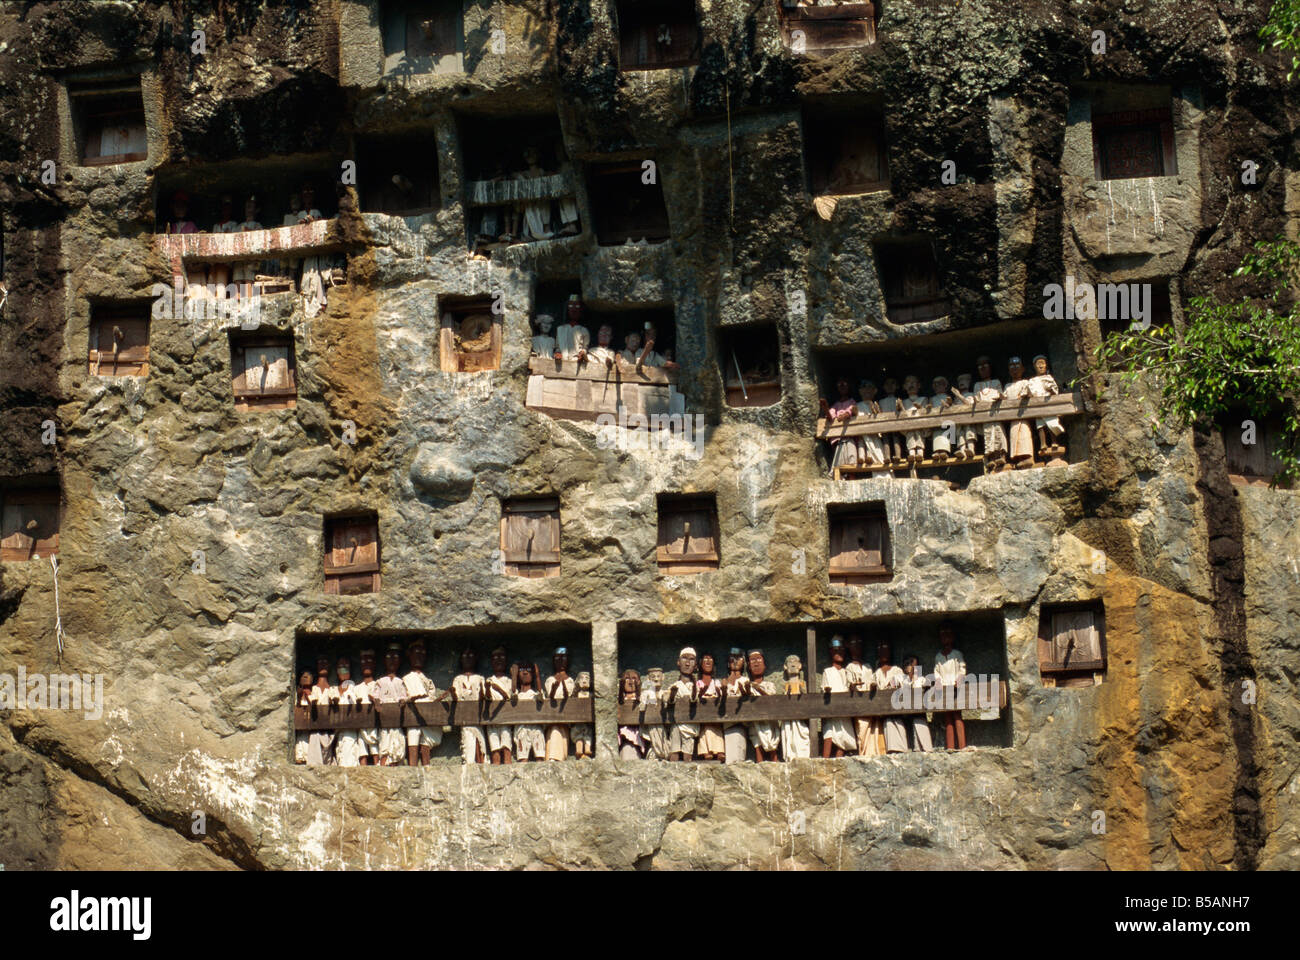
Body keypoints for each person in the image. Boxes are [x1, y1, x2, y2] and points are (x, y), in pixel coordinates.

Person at [402, 639, 444, 766]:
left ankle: (426, 766)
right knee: (413, 736)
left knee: (426, 742)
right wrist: (412, 699)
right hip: (412, 714)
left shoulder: (428, 680)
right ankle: (412, 765)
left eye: (422, 653)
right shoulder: (407, 678)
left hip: (427, 716)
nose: (419, 656)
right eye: (416, 652)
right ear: (409, 655)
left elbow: (431, 697)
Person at [371, 643, 408, 765]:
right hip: (384, 722)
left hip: (397, 721)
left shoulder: (401, 682)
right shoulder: (381, 682)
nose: (392, 661)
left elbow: (404, 696)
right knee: (385, 747)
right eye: (389, 657)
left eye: (395, 657)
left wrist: (403, 701)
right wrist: (377, 703)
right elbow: (375, 695)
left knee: (397, 747)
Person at [449, 648, 487, 764]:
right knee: (468, 746)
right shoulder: (458, 679)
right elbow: (456, 697)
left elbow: (484, 696)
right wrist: (453, 694)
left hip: (477, 718)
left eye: (471, 655)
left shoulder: (480, 678)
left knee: (480, 746)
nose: (468, 658)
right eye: (465, 656)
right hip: (465, 719)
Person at [820, 636, 857, 757]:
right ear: (831, 652)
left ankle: (838, 760)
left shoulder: (847, 671)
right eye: (836, 650)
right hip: (831, 708)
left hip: (844, 709)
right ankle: (825, 761)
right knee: (829, 735)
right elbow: (824, 687)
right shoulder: (828, 671)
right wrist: (827, 690)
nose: (839, 653)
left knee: (844, 737)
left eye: (841, 650)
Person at [934, 621, 967, 750]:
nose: (945, 637)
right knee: (947, 718)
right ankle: (951, 746)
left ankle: (962, 745)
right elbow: (936, 671)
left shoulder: (957, 654)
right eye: (942, 634)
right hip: (944, 689)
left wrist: (960, 677)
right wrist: (938, 681)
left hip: (955, 688)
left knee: (957, 716)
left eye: (948, 634)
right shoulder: (938, 656)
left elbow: (962, 667)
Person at [1028, 354, 1066, 460]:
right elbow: (1031, 391)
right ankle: (1043, 443)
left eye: (1042, 363)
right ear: (1034, 366)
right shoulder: (1032, 381)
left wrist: (1050, 389)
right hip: (1038, 405)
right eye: (1038, 364)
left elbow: (1055, 391)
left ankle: (1054, 441)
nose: (1040, 366)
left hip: (1049, 405)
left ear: (1046, 366)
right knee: (1040, 426)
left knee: (1051, 424)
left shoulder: (1049, 378)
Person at [972, 356, 1008, 468]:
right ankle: (991, 458)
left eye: (985, 365)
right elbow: (976, 398)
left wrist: (1001, 397)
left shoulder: (996, 382)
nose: (982, 368)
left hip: (996, 411)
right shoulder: (977, 385)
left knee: (998, 432)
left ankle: (1001, 456)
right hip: (985, 414)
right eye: (980, 366)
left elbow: (1002, 394)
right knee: (988, 434)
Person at [845, 634, 877, 757]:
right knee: (861, 733)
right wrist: (853, 686)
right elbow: (848, 684)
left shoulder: (868, 667)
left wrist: (873, 686)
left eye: (859, 643)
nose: (857, 646)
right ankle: (862, 755)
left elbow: (873, 680)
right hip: (859, 705)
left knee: (873, 734)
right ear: (849, 647)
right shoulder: (849, 667)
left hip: (871, 704)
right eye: (854, 643)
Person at [665, 647, 700, 761]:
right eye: (684, 658)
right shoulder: (674, 686)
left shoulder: (697, 687)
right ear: (678, 662)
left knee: (687, 754)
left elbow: (696, 699)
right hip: (676, 724)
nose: (687, 663)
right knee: (674, 752)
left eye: (691, 659)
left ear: (695, 665)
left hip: (690, 725)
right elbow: (668, 699)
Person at [873, 642, 908, 754]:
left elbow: (901, 682)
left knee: (897, 728)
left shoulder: (897, 670)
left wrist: (892, 684)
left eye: (886, 648)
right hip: (883, 711)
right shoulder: (876, 673)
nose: (883, 652)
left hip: (896, 709)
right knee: (887, 728)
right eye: (880, 649)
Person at [745, 649, 779, 762]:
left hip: (769, 719)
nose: (756, 663)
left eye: (759, 659)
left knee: (771, 733)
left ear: (764, 665)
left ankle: (774, 758)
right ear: (749, 666)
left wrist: (758, 689)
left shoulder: (769, 684)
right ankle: (759, 760)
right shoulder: (747, 685)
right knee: (756, 734)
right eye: (752, 660)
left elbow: (771, 698)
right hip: (755, 720)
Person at [820, 377, 859, 476]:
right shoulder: (836, 405)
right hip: (838, 439)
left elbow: (853, 410)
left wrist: (846, 414)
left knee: (852, 459)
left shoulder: (852, 401)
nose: (842, 387)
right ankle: (839, 478)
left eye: (844, 384)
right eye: (839, 385)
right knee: (838, 462)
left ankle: (852, 478)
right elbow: (830, 417)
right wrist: (826, 409)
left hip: (850, 437)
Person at [1002, 357, 1035, 468]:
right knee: (1014, 435)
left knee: (1024, 434)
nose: (1014, 369)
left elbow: (1030, 393)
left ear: (1023, 369)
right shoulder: (1007, 386)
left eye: (1017, 366)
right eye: (1011, 366)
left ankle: (1028, 457)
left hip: (1022, 414)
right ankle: (1019, 459)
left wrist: (1026, 395)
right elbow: (1005, 397)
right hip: (1012, 416)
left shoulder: (1026, 382)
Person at [543, 647, 575, 761]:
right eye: (557, 658)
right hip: (552, 716)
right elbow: (551, 695)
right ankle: (552, 758)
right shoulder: (550, 680)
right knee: (554, 732)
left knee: (562, 735)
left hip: (564, 718)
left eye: (564, 658)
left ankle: (559, 758)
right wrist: (555, 687)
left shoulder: (570, 681)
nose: (560, 661)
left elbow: (568, 695)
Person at [484, 646, 515, 763]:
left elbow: (509, 697)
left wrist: (499, 690)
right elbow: (487, 698)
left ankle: (508, 764)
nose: (499, 660)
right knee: (495, 746)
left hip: (505, 718)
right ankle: (496, 765)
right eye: (495, 657)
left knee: (506, 744)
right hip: (492, 718)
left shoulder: (509, 681)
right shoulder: (489, 680)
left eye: (502, 657)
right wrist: (488, 688)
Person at [512, 663, 546, 762]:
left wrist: (538, 676)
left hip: (536, 727)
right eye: (522, 670)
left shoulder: (534, 694)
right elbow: (513, 695)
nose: (525, 672)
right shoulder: (517, 695)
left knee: (539, 753)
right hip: (521, 728)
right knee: (522, 755)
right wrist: (513, 675)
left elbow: (540, 696)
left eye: (528, 670)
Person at [307, 655, 337, 765]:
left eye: (325, 662)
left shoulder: (333, 689)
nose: (323, 664)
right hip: (315, 731)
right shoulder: (312, 689)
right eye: (320, 662)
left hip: (329, 733)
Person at [780, 655, 810, 760]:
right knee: (789, 738)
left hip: (800, 718)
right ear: (785, 666)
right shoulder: (786, 685)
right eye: (790, 662)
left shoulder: (803, 683)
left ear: (800, 665)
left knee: (801, 738)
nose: (793, 664)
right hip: (789, 719)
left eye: (796, 661)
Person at [695, 653, 725, 762]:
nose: (708, 661)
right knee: (704, 730)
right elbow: (696, 695)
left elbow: (720, 693)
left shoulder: (716, 682)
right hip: (702, 711)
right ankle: (706, 751)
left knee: (716, 729)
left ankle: (719, 751)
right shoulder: (697, 683)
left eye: (710, 659)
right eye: (705, 659)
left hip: (715, 711)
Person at [334, 657, 363, 768]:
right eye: (341, 667)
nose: (344, 670)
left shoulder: (355, 689)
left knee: (349, 756)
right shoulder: (333, 690)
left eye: (346, 667)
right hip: (335, 732)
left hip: (350, 730)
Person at [721, 649, 749, 764]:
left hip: (739, 723)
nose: (735, 661)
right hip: (726, 724)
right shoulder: (724, 681)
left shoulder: (745, 680)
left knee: (737, 757)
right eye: (732, 658)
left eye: (739, 658)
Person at [901, 655, 933, 752]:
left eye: (916, 667)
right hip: (908, 708)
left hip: (919, 708)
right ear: (906, 668)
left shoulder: (921, 679)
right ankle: (915, 747)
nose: (914, 669)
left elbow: (927, 683)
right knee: (912, 726)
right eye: (912, 666)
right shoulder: (904, 680)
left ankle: (925, 747)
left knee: (920, 724)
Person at [353, 648, 380, 765]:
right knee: (361, 748)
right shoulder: (356, 688)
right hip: (361, 725)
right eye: (363, 661)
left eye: (369, 661)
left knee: (376, 748)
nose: (366, 664)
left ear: (374, 664)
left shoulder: (379, 685)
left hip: (375, 725)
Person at [854, 379, 886, 467]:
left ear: (875, 391)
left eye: (869, 387)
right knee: (862, 442)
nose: (867, 390)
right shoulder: (857, 405)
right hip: (862, 432)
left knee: (875, 446)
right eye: (864, 388)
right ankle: (861, 457)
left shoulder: (876, 404)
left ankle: (869, 457)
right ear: (860, 391)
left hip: (874, 433)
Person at [641, 667, 669, 760]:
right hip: (651, 730)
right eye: (653, 677)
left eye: (658, 676)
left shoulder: (665, 693)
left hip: (664, 731)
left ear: (663, 677)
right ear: (648, 679)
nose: (656, 679)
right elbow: (642, 703)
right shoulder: (646, 693)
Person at [618, 669, 644, 759]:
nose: (630, 682)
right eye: (627, 679)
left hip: (637, 737)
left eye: (634, 679)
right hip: (623, 741)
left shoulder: (643, 698)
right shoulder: (618, 700)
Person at [555, 294, 590, 362]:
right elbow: (557, 347)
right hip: (561, 363)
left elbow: (585, 348)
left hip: (576, 363)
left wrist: (582, 354)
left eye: (577, 306)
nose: (574, 309)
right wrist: (558, 353)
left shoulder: (584, 331)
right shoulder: (560, 329)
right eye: (571, 305)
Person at [929, 376, 955, 463]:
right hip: (936, 421)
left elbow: (952, 408)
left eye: (939, 384)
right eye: (935, 384)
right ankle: (937, 452)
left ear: (945, 385)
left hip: (946, 421)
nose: (937, 386)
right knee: (936, 435)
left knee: (945, 436)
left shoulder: (948, 397)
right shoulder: (932, 399)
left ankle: (944, 452)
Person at [571, 671, 594, 759]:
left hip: (588, 719)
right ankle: (579, 749)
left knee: (588, 734)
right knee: (578, 734)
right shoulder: (576, 695)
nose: (584, 681)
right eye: (582, 678)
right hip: (578, 719)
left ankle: (587, 749)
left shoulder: (591, 695)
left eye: (587, 678)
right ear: (578, 682)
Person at [294, 671, 313, 764]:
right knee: (300, 740)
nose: (305, 677)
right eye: (303, 676)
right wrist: (299, 696)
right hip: (299, 725)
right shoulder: (296, 693)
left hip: (310, 725)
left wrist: (308, 697)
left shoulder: (314, 692)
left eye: (308, 675)